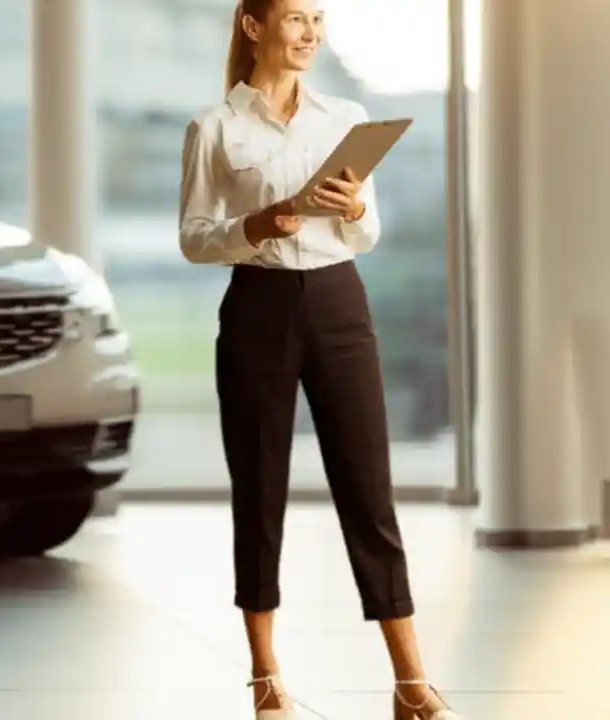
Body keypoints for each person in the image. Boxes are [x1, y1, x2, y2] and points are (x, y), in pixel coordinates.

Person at [177, 1, 464, 719]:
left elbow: (368, 232)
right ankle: (266, 677)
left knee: (369, 491)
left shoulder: (345, 117)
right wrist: (256, 224)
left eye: (319, 20)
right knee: (260, 488)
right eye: (297, 18)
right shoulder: (214, 128)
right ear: (253, 25)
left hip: (340, 304)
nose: (311, 33)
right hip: (258, 309)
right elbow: (193, 236)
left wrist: (354, 210)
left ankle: (411, 683)